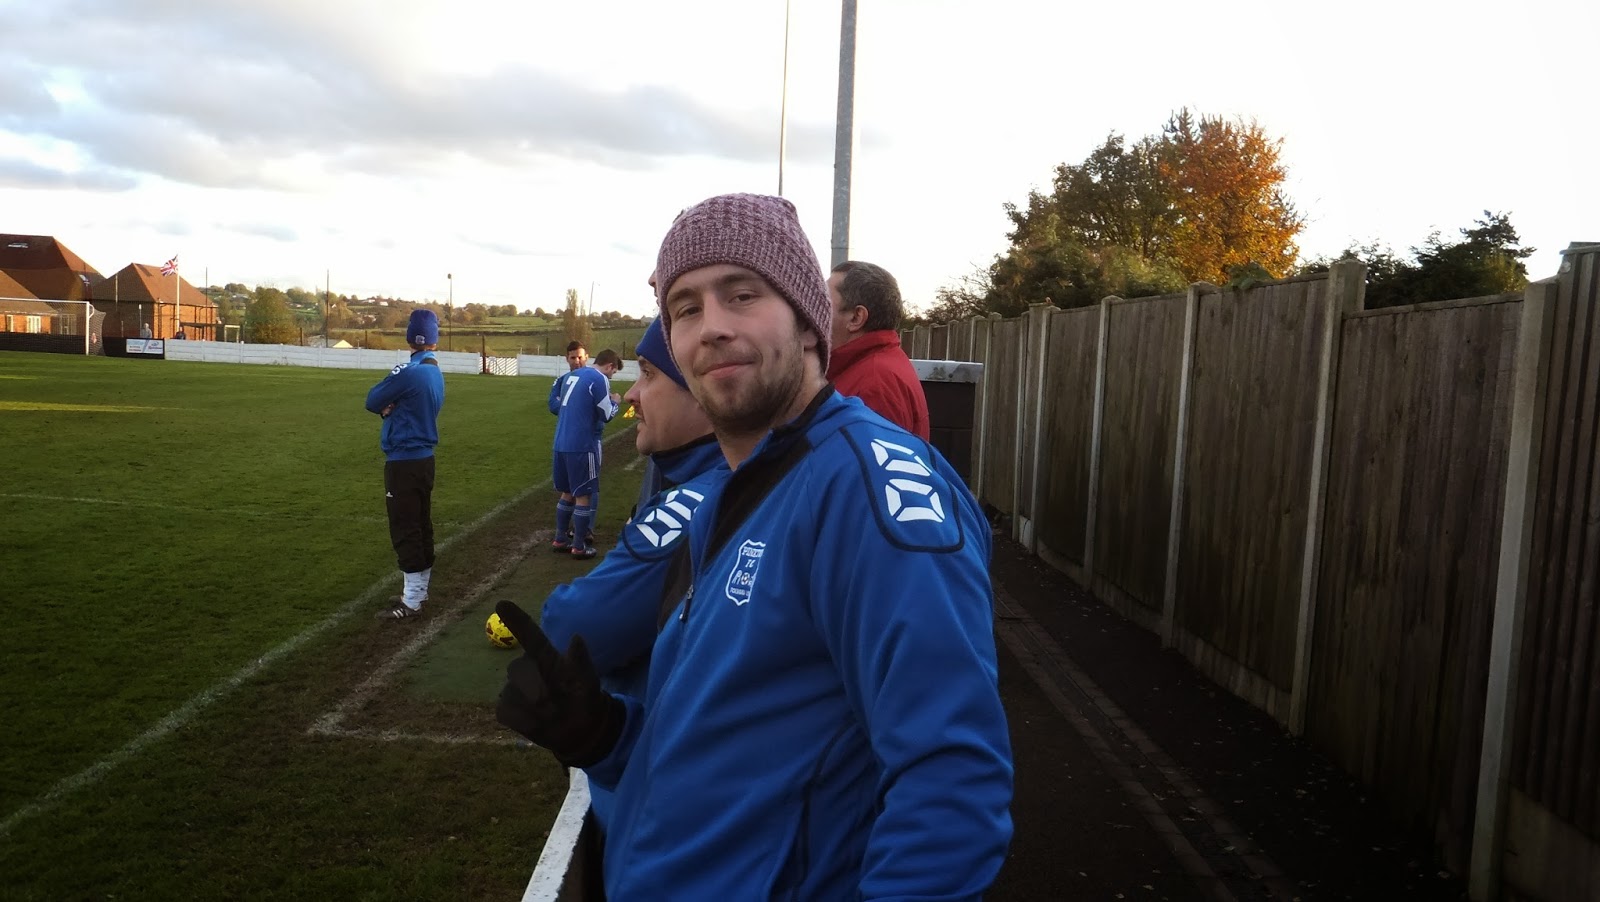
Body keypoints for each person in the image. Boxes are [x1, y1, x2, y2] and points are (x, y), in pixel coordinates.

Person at [494, 193, 1013, 899]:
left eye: (742, 295)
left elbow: (951, 788)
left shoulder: (863, 489)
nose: (712, 329)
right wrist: (608, 740)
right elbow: (738, 747)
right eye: (685, 308)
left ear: (807, 322)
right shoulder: (733, 488)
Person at [538, 316, 723, 829]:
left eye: (648, 375)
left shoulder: (703, 495)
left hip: (665, 800)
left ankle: (567, 538)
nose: (633, 395)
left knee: (572, 497)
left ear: (702, 390)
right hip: (673, 787)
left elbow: (573, 627)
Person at [366, 309, 446, 620]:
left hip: (403, 460)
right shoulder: (434, 371)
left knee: (405, 527)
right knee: (421, 523)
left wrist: (388, 408)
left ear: (410, 336)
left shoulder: (409, 371)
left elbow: (372, 399)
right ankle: (418, 590)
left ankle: (411, 600)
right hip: (425, 459)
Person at [827, 260, 931, 439]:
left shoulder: (875, 385)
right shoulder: (874, 365)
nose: (814, 309)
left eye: (825, 301)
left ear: (856, 318)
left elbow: (869, 464)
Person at [548, 343, 621, 559]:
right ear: (609, 366)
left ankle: (560, 538)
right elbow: (606, 414)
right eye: (614, 372)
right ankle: (579, 546)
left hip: (560, 443)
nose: (612, 376)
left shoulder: (572, 376)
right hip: (582, 445)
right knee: (584, 495)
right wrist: (615, 402)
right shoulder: (599, 379)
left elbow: (556, 405)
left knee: (567, 493)